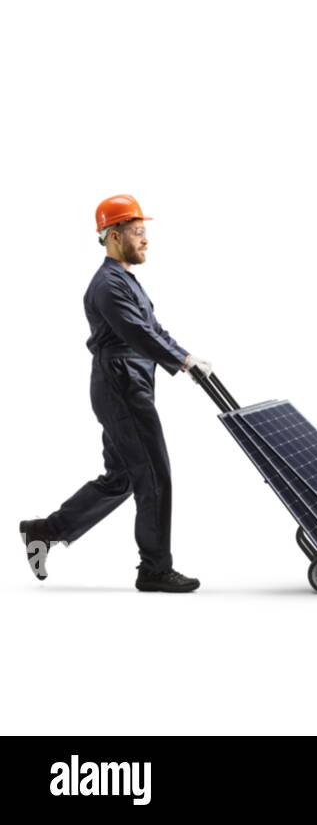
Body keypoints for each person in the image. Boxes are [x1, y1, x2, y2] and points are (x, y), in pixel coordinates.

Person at [19, 195, 209, 591]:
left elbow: (154, 329)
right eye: (138, 233)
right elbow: (137, 334)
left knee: (122, 478)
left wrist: (186, 357)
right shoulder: (107, 285)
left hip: (129, 380)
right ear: (113, 235)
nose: (146, 241)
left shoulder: (127, 281)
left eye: (145, 233)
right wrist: (184, 362)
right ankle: (154, 569)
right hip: (120, 382)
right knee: (154, 475)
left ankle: (44, 531)